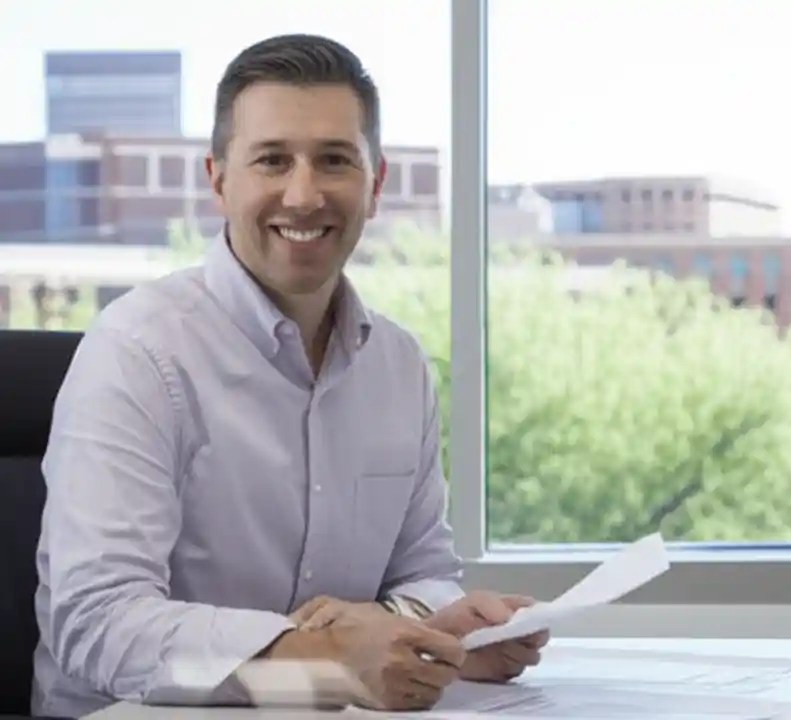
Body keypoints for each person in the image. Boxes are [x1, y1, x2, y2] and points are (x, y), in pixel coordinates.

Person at [32, 33, 547, 718]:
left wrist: (441, 636)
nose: (303, 195)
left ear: (376, 183)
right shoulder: (137, 352)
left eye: (334, 161)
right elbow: (98, 624)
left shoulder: (396, 363)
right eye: (272, 160)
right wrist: (325, 659)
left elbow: (421, 572)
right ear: (219, 179)